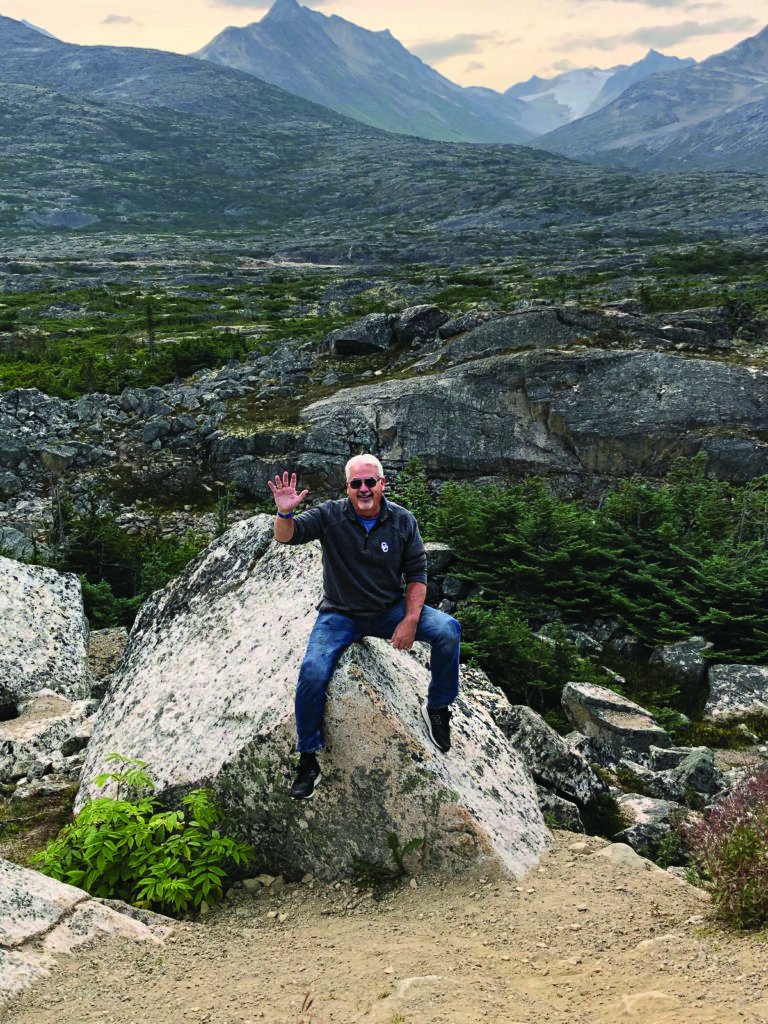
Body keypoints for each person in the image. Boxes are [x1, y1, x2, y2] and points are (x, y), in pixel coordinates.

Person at [268, 454, 461, 800]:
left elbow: (417, 574)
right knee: (312, 672)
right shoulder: (330, 516)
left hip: (389, 610)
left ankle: (437, 706)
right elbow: (286, 536)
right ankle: (308, 758)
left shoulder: (403, 521)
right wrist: (285, 512)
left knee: (448, 630)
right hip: (339, 614)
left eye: (370, 482)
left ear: (382, 484)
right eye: (356, 483)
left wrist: (410, 619)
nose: (364, 489)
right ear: (348, 488)